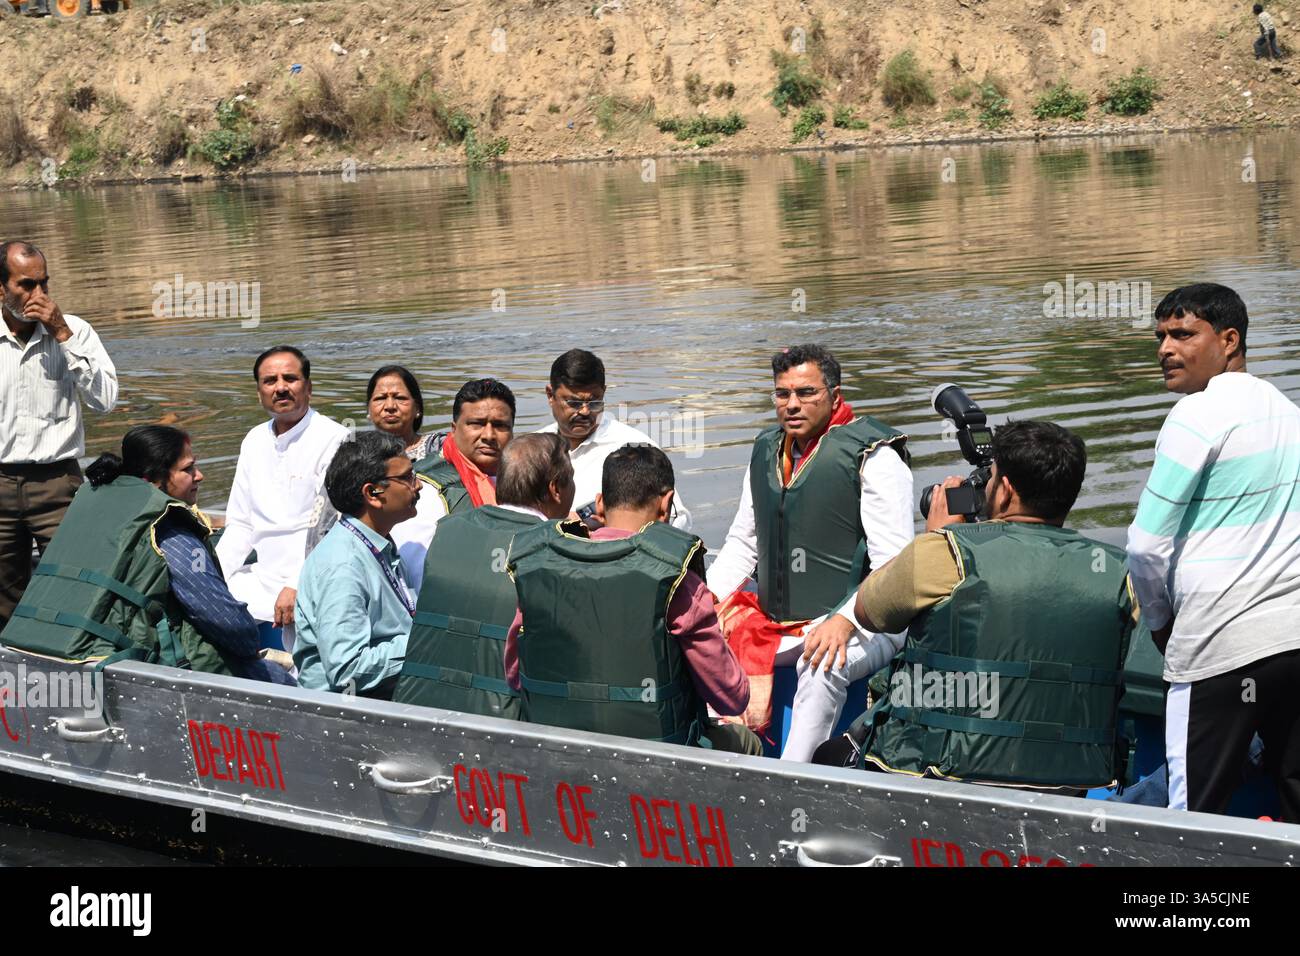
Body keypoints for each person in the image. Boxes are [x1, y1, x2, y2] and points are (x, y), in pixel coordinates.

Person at [837, 420, 1136, 792]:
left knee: (827, 758)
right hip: (1071, 781)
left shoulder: (947, 550)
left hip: (939, 776)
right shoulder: (1118, 570)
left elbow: (869, 611)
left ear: (1006, 490)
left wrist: (936, 536)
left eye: (991, 478)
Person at [1127, 283, 1300, 822]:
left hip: (1217, 648)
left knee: (1191, 821)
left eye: (1182, 334)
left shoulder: (1195, 415)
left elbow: (1144, 543)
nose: (1165, 349)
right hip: (1293, 641)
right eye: (1160, 337)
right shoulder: (1287, 411)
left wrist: (1158, 622)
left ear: (1229, 341)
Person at [706, 344, 914, 760]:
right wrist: (706, 600)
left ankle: (794, 780)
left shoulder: (875, 456)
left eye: (806, 393)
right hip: (780, 620)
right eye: (782, 394)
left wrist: (845, 618)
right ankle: (722, 759)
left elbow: (896, 567)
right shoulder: (765, 449)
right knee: (698, 636)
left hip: (869, 619)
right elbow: (743, 544)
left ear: (834, 396)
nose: (792, 405)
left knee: (822, 666)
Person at [505, 444, 761, 754]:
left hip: (559, 748)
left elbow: (514, 674)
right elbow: (731, 697)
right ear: (666, 505)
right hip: (660, 754)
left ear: (599, 505)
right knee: (747, 742)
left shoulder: (543, 568)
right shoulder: (677, 580)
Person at [2, 426, 291, 683]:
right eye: (188, 469)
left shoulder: (94, 508)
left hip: (41, 650)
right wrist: (252, 645)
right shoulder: (172, 534)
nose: (199, 476)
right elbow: (225, 620)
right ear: (154, 479)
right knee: (281, 680)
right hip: (117, 665)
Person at [394, 433, 575, 717]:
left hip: (412, 708)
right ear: (555, 489)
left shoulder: (448, 529)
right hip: (500, 727)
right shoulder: (559, 550)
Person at [0, 240, 118, 627]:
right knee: (5, 594)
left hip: (57, 483)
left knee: (77, 585)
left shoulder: (75, 331)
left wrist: (62, 332)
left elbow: (105, 399)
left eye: (44, 284)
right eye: (26, 285)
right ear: (1, 289)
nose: (40, 295)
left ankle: (75, 673)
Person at [214, 346, 349, 647]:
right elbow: (240, 525)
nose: (280, 388)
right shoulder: (254, 440)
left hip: (314, 575)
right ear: (259, 391)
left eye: (290, 378)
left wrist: (297, 583)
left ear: (309, 388)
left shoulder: (334, 437)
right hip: (261, 578)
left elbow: (331, 529)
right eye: (270, 381)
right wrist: (213, 580)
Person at [293, 431, 420, 698]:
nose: (417, 485)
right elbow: (347, 669)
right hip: (344, 717)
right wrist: (425, 640)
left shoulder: (378, 544)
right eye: (407, 477)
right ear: (373, 493)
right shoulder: (344, 565)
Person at [538, 349, 692, 531]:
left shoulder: (634, 448)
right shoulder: (533, 449)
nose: (586, 412)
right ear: (550, 395)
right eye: (574, 403)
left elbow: (678, 520)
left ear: (603, 393)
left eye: (595, 402)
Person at [402, 378, 516, 578]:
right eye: (476, 424)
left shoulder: (522, 481)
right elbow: (413, 576)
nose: (489, 435)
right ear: (453, 429)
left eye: (500, 425)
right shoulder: (425, 490)